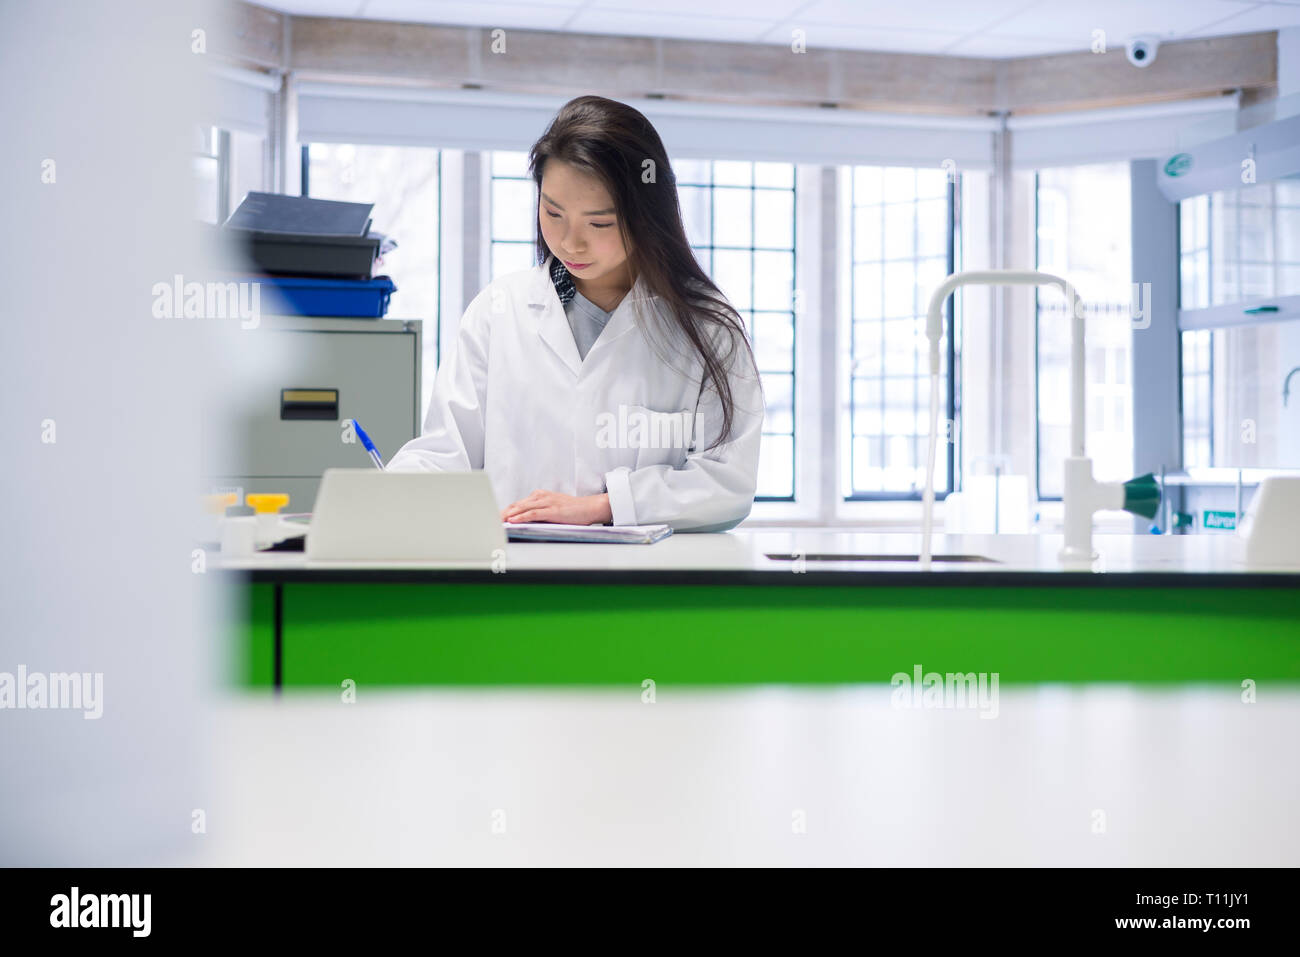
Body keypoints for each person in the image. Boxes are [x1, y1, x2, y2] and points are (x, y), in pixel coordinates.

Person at [386, 95, 764, 532]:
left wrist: (606, 505)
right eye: (553, 212)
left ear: (646, 215)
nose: (570, 242)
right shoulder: (499, 311)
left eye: (598, 223)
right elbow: (444, 452)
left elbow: (728, 484)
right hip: (512, 576)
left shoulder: (708, 329)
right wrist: (380, 499)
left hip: (642, 583)